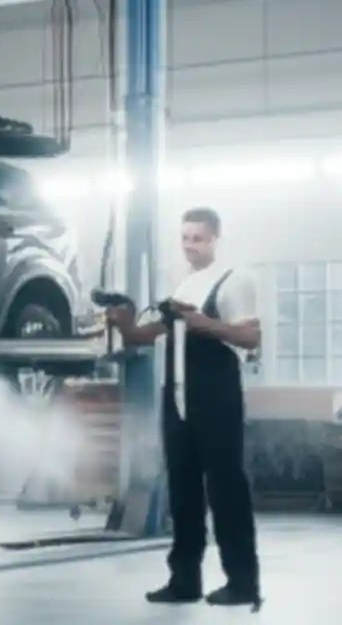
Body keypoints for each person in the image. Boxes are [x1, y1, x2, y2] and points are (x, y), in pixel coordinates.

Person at [107, 206, 263, 608]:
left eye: (197, 238)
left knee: (226, 487)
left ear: (215, 238)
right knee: (183, 491)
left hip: (216, 395)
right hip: (177, 397)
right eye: (185, 238)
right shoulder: (185, 285)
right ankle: (184, 580)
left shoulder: (234, 279)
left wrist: (204, 324)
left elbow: (250, 336)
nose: (189, 246)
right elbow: (145, 337)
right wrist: (123, 322)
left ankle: (243, 583)